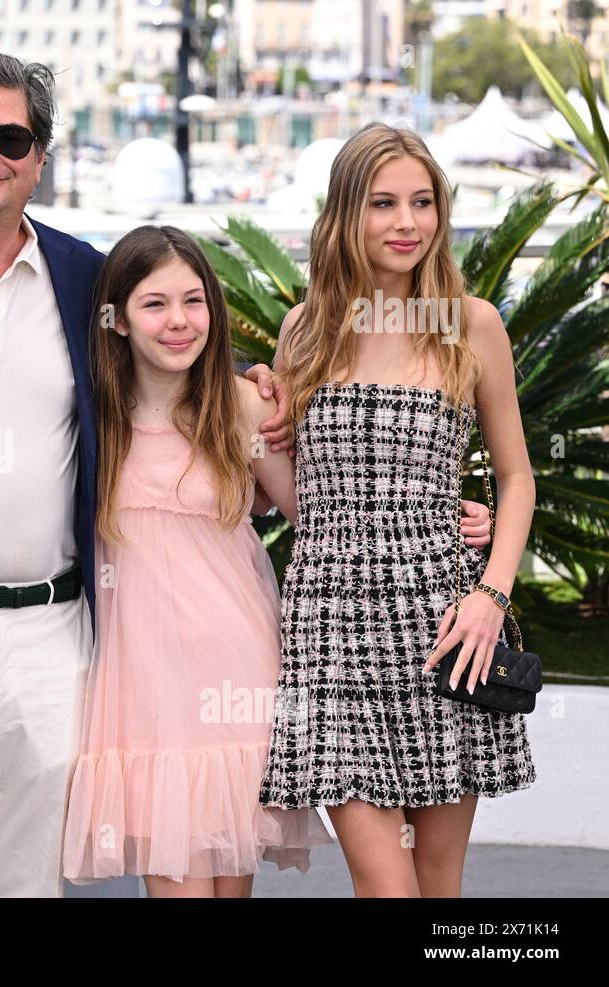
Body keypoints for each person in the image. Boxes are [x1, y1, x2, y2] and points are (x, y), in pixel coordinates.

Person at [0, 51, 293, 898]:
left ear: (41, 158)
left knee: (29, 877)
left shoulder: (87, 278)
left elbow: (171, 352)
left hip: (54, 622)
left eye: (12, 136)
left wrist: (253, 386)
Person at [258, 123, 537, 897]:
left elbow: (517, 478)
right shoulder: (305, 329)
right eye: (384, 203)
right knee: (388, 886)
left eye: (423, 202)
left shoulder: (470, 324)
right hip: (331, 631)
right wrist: (250, 402)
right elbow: (297, 498)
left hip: (446, 628)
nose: (407, 222)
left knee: (437, 886)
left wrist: (491, 596)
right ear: (346, 213)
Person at [63, 226, 331, 897]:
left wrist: (453, 516)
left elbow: (317, 512)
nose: (180, 321)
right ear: (116, 319)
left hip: (235, 665)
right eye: (155, 304)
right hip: (141, 677)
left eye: (194, 300)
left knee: (229, 881)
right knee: (177, 880)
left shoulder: (243, 405)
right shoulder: (92, 413)